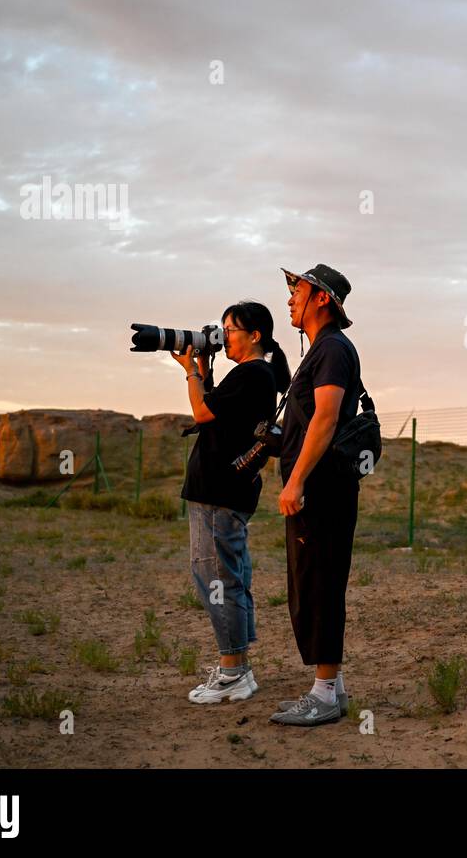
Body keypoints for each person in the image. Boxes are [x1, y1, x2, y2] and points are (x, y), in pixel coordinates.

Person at [174, 300, 290, 704]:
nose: (223, 336)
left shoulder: (253, 373)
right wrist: (203, 372)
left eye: (230, 329)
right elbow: (216, 410)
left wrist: (189, 371)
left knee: (215, 577)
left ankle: (233, 672)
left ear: (254, 335)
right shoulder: (255, 375)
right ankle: (237, 667)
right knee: (229, 577)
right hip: (225, 490)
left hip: (218, 490)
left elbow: (202, 412)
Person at [269, 264, 363, 727]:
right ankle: (334, 688)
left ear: (321, 298)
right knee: (313, 580)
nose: (289, 298)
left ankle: (323, 694)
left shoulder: (331, 348)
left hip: (323, 489)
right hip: (320, 487)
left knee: (319, 583)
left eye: (297, 290)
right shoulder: (324, 350)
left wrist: (297, 479)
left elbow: (325, 417)